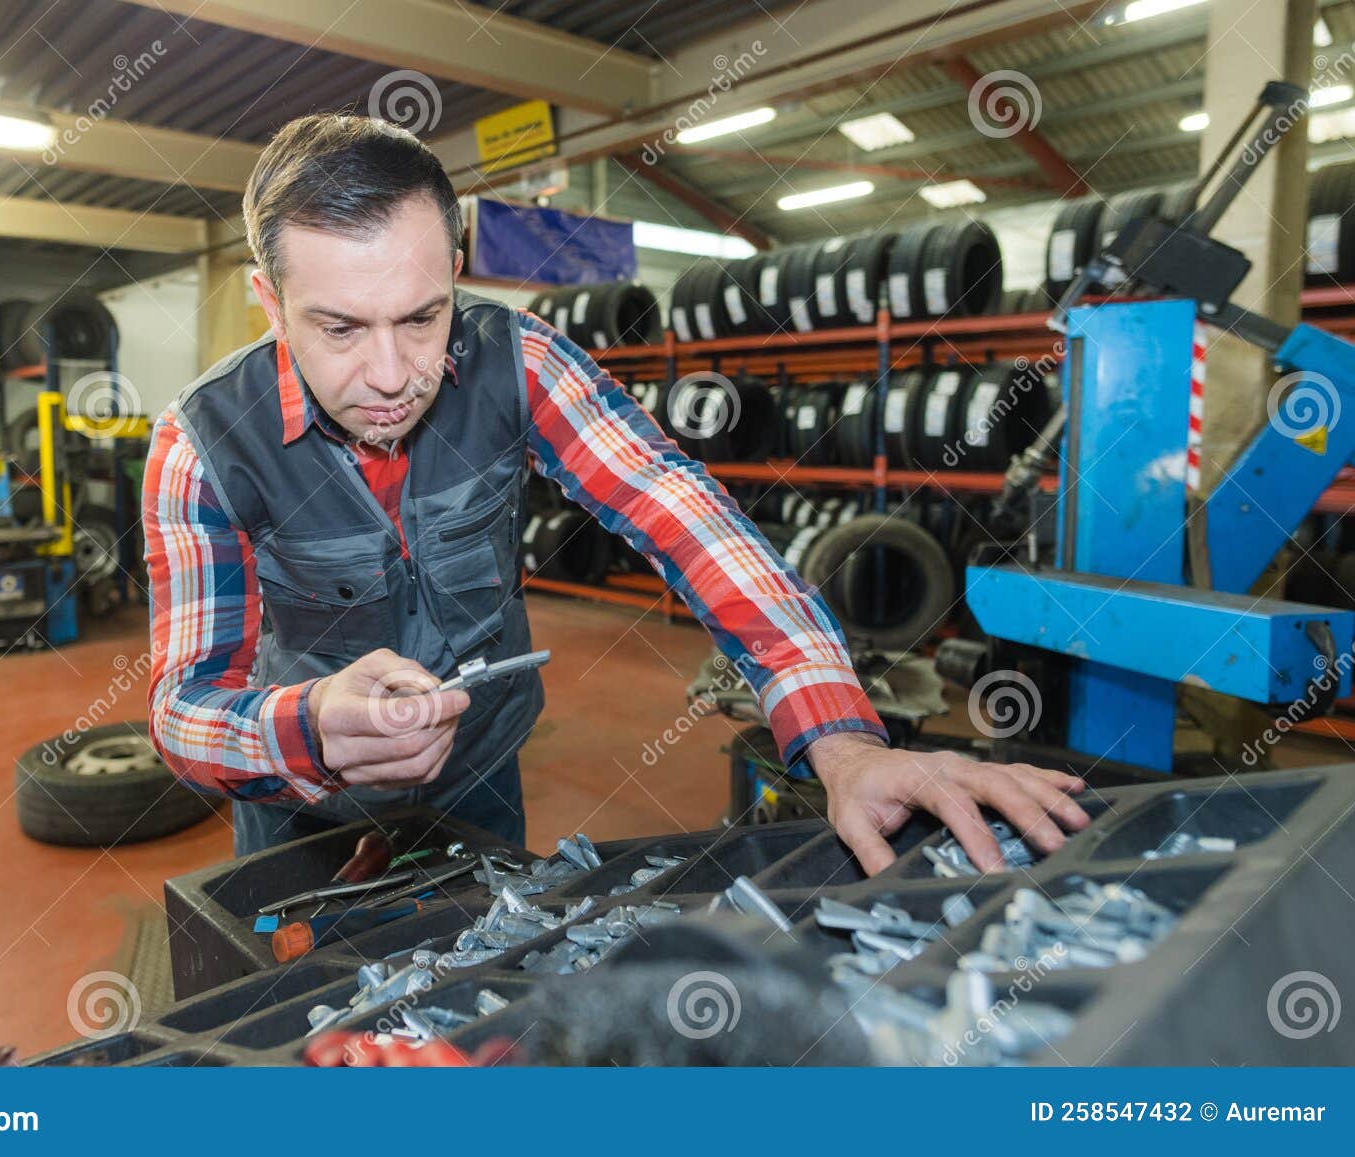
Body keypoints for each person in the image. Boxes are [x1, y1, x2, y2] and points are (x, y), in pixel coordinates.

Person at [143, 112, 1090, 871]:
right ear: (270, 301)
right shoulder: (205, 445)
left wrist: (843, 739)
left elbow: (690, 519)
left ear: (456, 279)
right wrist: (307, 728)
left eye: (422, 317)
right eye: (340, 328)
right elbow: (184, 708)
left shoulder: (519, 361)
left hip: (476, 776)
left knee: (481, 1017)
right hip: (299, 806)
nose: (392, 372)